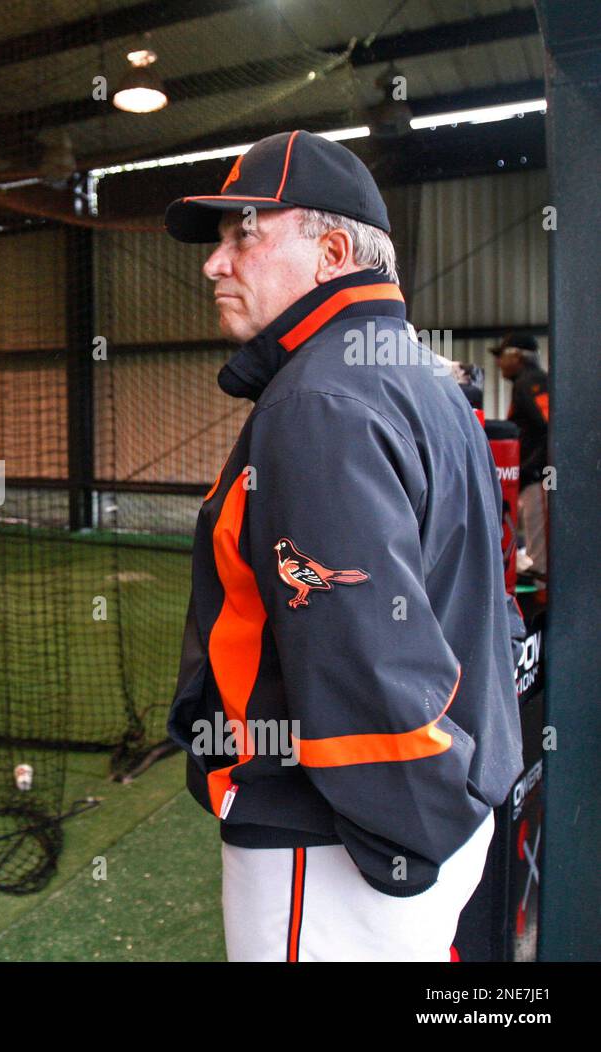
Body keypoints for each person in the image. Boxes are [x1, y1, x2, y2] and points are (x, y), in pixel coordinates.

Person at [162, 130, 522, 961]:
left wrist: (404, 838)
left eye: (242, 233)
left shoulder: (315, 398)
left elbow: (363, 660)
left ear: (331, 252)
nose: (216, 263)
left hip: (338, 848)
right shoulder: (426, 374)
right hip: (447, 814)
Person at [489, 333, 549, 578]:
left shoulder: (532, 382)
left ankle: (545, 610)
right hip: (532, 478)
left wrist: (532, 468)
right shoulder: (525, 383)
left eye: (501, 356)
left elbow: (552, 425)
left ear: (516, 355)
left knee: (541, 561)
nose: (499, 363)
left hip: (539, 479)